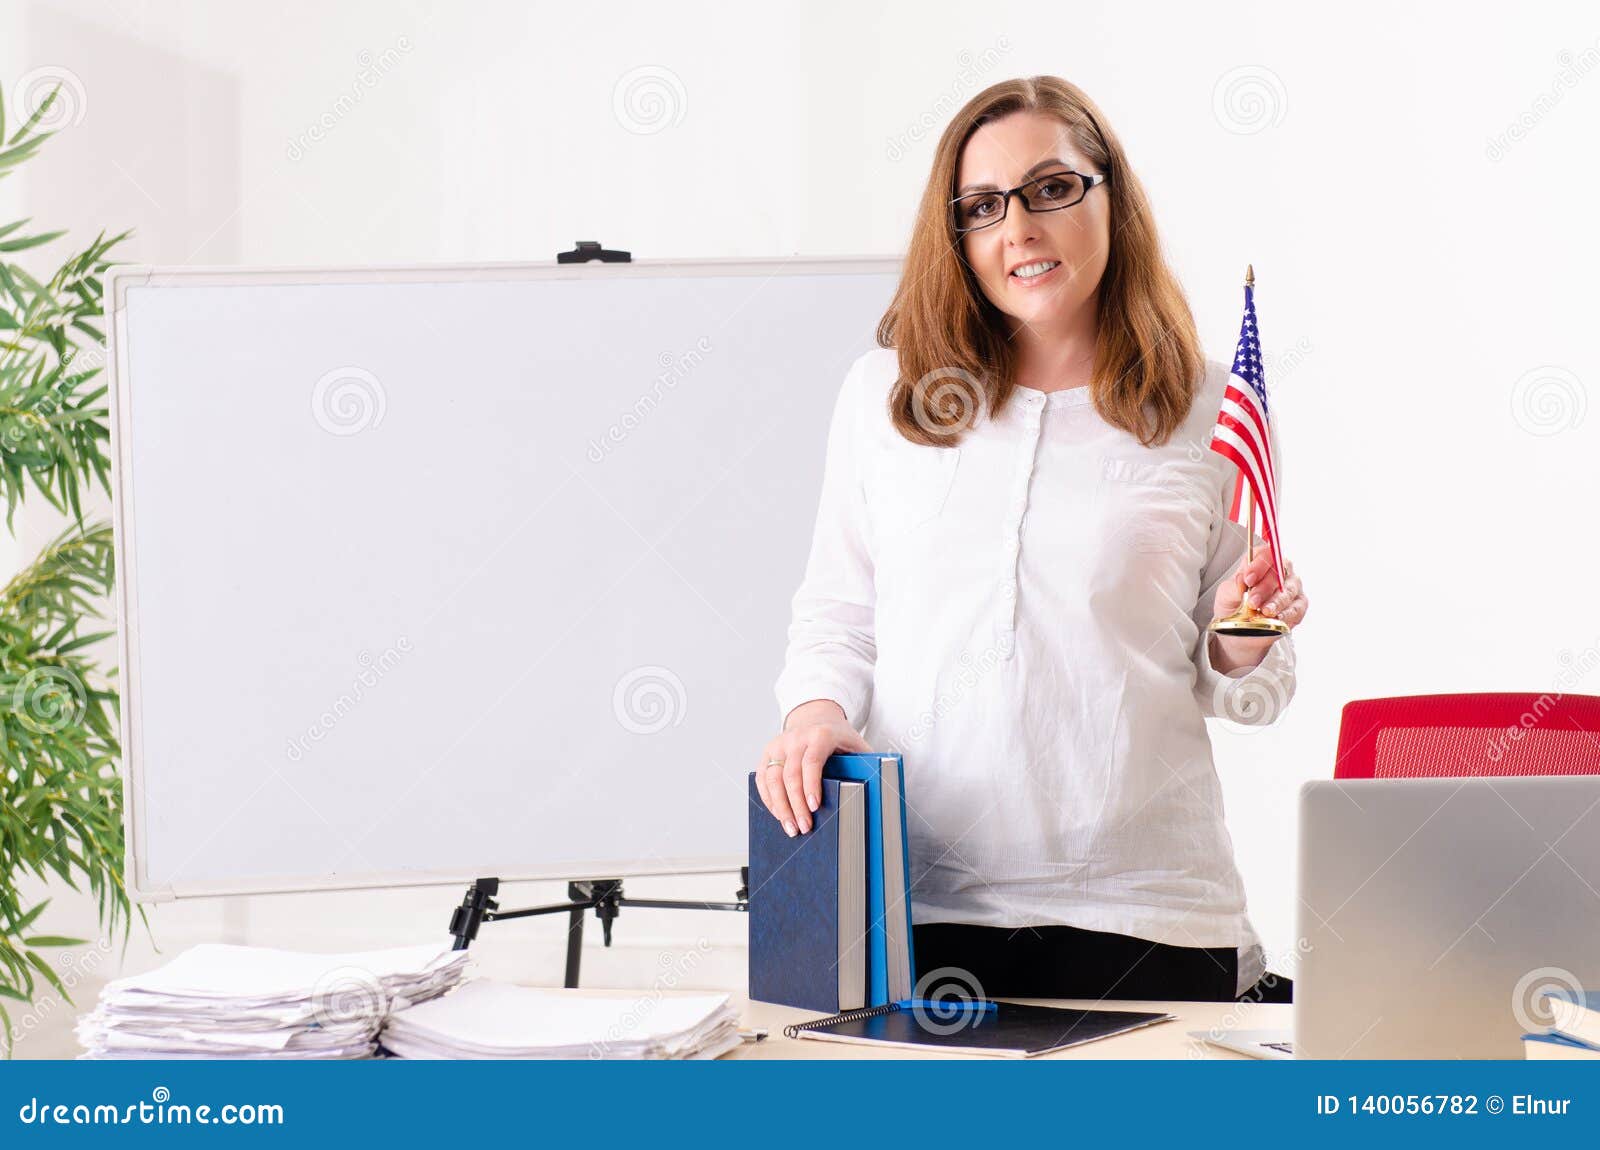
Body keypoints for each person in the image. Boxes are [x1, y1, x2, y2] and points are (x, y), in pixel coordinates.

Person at [754, 75, 1309, 1004]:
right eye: (982, 207)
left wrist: (1241, 641)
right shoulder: (883, 396)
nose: (1018, 228)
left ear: (1111, 197)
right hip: (917, 905)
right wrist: (813, 720)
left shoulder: (1213, 408)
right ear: (957, 237)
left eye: (1051, 189)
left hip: (1150, 916)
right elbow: (838, 616)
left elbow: (1243, 684)